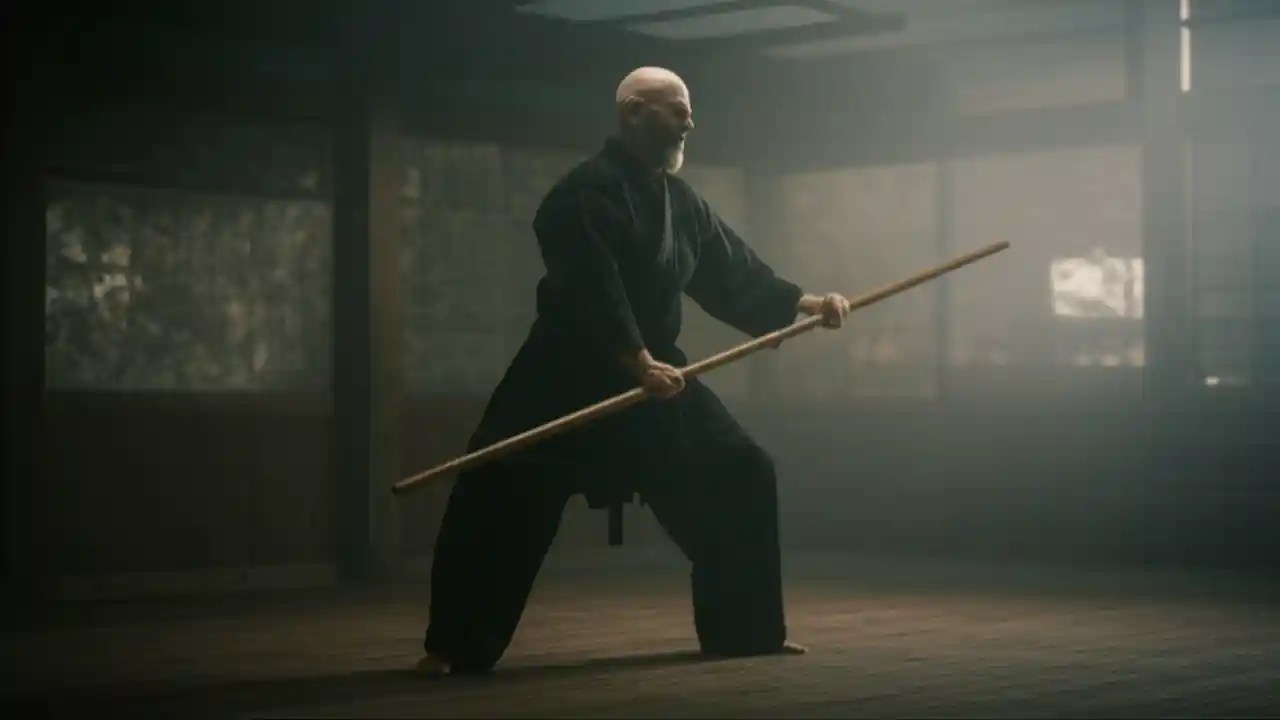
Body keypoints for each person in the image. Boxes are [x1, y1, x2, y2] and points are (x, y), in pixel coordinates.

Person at [417, 66, 851, 676]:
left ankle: (746, 631)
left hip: (656, 374)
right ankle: (454, 648)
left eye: (689, 111)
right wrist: (631, 355)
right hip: (567, 373)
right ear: (632, 114)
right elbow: (590, 285)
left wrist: (801, 303)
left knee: (741, 472)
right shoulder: (579, 195)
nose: (689, 123)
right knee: (496, 487)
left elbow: (731, 271)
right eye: (675, 110)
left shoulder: (681, 202)